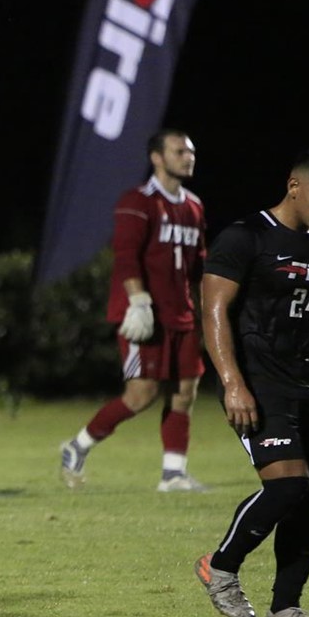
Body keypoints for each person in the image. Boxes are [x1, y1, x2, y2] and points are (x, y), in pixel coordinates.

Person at [192, 148, 309, 617]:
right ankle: (220, 566)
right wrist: (232, 384)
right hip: (259, 382)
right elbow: (213, 311)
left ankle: (285, 608)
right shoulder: (245, 237)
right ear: (295, 186)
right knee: (288, 484)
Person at [59, 130, 210, 492]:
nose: (188, 157)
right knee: (141, 394)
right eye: (178, 152)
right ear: (157, 158)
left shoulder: (193, 206)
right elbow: (125, 257)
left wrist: (204, 313)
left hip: (182, 314)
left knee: (185, 390)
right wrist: (139, 301)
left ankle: (173, 474)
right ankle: (76, 447)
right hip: (146, 316)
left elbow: (197, 266)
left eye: (190, 152)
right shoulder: (137, 200)